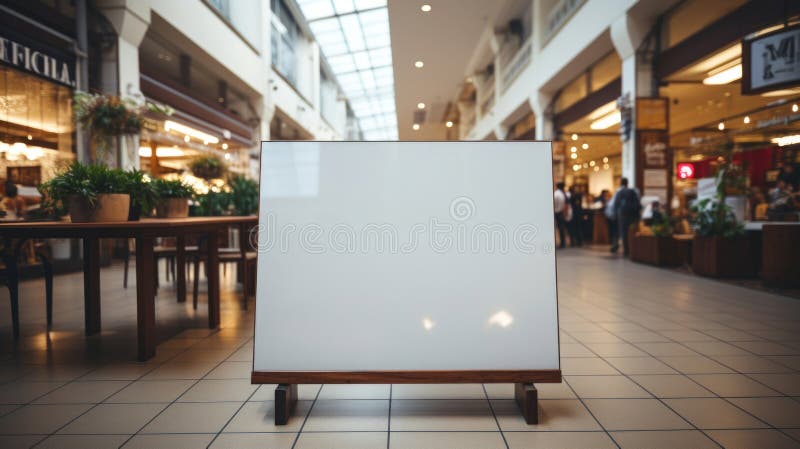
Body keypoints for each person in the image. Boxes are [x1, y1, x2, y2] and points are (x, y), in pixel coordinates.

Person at [610, 177, 641, 256]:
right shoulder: (633, 191)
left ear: (621, 183)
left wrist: (614, 215)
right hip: (633, 215)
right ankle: (633, 248)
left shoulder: (620, 192)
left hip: (623, 215)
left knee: (624, 232)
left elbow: (616, 204)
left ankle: (626, 250)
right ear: (627, 183)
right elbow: (638, 203)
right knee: (633, 231)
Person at [553, 182, 568, 249]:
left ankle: (562, 243)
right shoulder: (562, 194)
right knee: (561, 228)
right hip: (561, 212)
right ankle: (563, 242)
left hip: (558, 212)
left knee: (560, 228)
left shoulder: (556, 194)